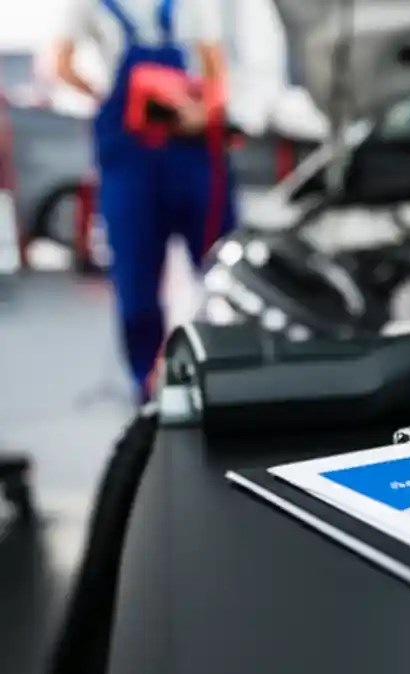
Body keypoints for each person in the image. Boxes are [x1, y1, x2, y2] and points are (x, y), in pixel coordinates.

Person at [53, 0, 238, 401]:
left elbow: (214, 69)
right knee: (135, 274)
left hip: (190, 153)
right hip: (129, 153)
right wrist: (105, 96)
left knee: (218, 266)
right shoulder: (88, 6)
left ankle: (229, 370)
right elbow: (61, 64)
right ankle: (151, 385)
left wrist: (202, 110)